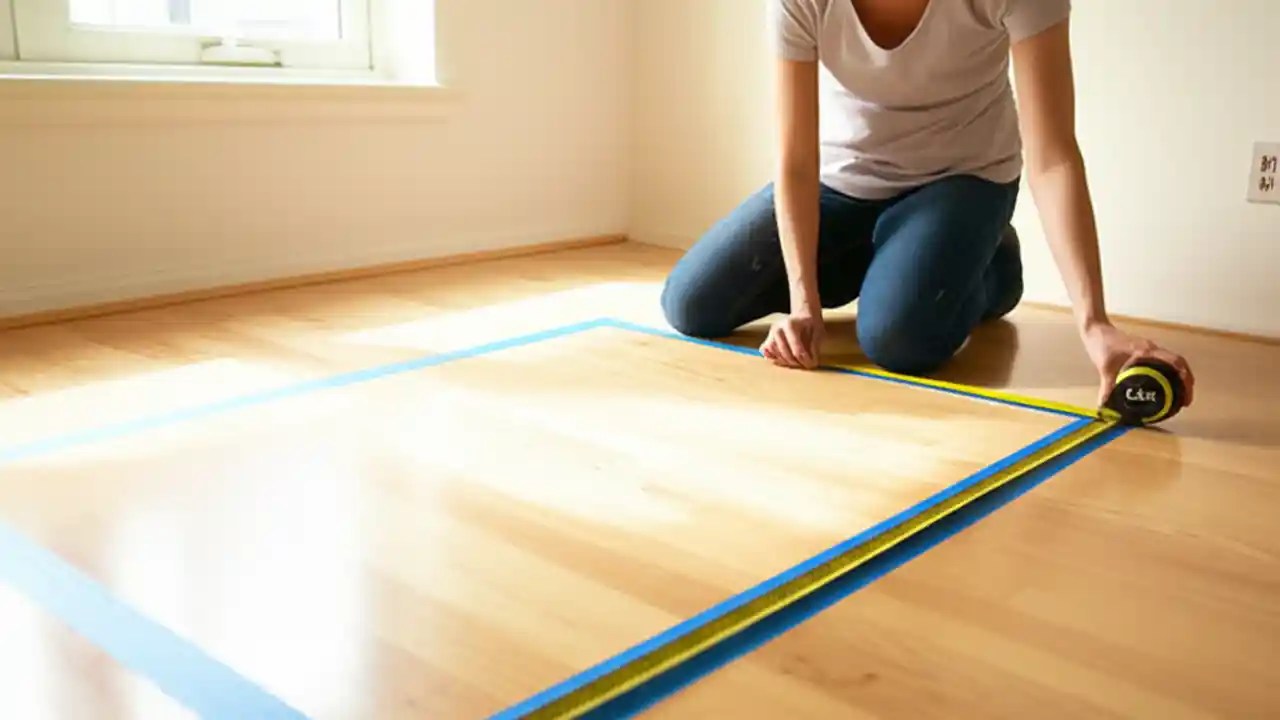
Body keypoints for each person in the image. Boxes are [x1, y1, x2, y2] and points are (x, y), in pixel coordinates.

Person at [659, 0, 1195, 408]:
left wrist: (1094, 324)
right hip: (842, 181)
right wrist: (805, 306)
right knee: (692, 304)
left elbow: (1053, 157)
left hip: (961, 178)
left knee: (898, 339)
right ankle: (904, 259)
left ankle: (990, 263)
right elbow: (796, 162)